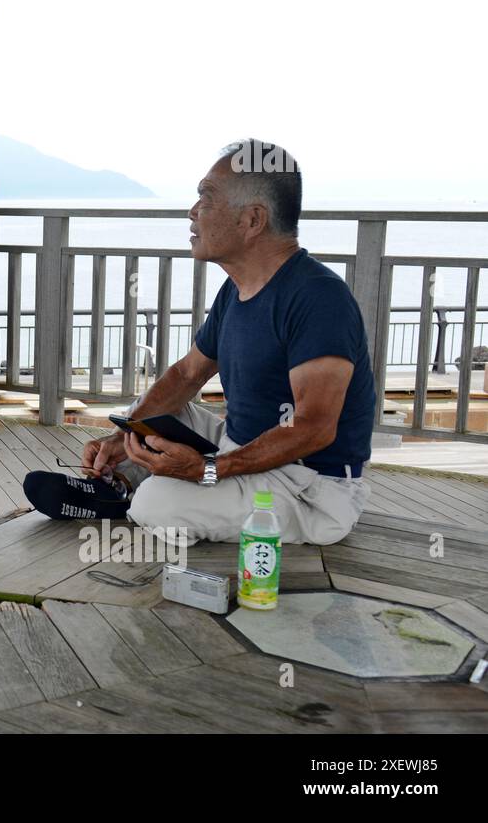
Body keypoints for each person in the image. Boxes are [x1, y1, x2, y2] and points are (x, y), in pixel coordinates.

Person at [23, 139, 374, 545]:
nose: (192, 213)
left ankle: (134, 498)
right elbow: (187, 374)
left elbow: (313, 428)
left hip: (310, 487)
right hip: (241, 449)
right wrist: (122, 439)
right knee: (147, 416)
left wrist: (210, 470)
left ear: (252, 220)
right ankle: (115, 482)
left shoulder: (317, 297)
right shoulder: (237, 290)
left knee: (158, 503)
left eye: (205, 199)